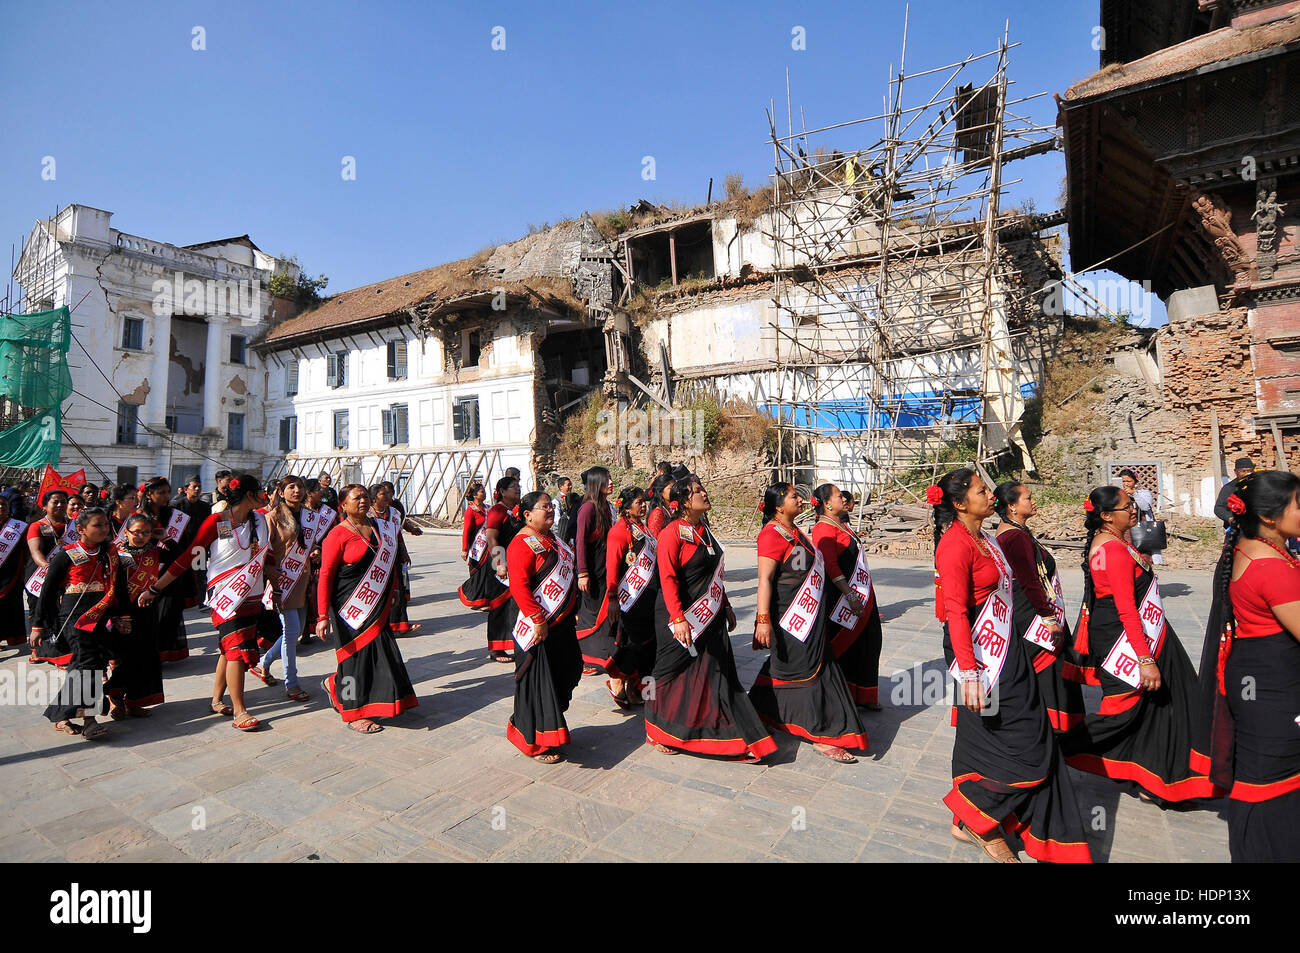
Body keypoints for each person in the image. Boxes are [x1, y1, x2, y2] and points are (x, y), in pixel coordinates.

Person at [932, 468, 1091, 863]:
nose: (990, 495)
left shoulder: (985, 538)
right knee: (1014, 735)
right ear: (958, 503)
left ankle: (974, 815)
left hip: (1008, 649)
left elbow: (1020, 584)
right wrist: (968, 673)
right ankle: (979, 815)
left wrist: (1044, 616)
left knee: (1008, 731)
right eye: (981, 491)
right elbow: (954, 611)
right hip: (979, 654)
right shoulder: (954, 545)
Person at [1059, 484, 1218, 803]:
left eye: (1133, 503)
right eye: (1126, 506)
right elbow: (1126, 608)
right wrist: (1145, 660)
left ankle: (1153, 776)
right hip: (1127, 638)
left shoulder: (1116, 541)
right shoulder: (1113, 550)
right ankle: (1053, 750)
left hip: (1140, 632)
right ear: (1105, 516)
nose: (1133, 509)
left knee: (1158, 707)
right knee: (1123, 708)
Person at [1200, 470, 1300, 862]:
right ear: (1271, 517)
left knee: (1264, 772)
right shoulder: (1271, 567)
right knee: (1271, 781)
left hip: (1257, 673)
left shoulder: (1250, 549)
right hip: (1275, 683)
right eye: (1297, 504)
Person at [646, 475, 776, 762]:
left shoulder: (704, 530)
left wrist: (726, 605)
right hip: (679, 615)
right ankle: (657, 728)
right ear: (682, 503)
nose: (703, 493)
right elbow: (667, 578)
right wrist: (679, 618)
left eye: (701, 488)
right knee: (673, 673)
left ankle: (722, 729)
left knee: (713, 674)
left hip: (710, 615)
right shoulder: (672, 532)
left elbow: (714, 575)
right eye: (695, 491)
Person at [143, 474, 277, 732]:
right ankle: (240, 710)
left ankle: (216, 700)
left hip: (252, 593)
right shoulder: (215, 522)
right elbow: (188, 557)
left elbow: (267, 555)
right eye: (259, 490)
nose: (263, 493)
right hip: (226, 595)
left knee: (229, 650)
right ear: (250, 494)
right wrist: (156, 587)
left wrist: (277, 584)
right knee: (237, 649)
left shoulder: (259, 519)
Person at [749, 483, 869, 762]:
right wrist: (762, 620)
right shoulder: (771, 535)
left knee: (794, 666)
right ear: (779, 506)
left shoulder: (796, 532)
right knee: (807, 669)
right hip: (790, 617)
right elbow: (765, 581)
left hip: (810, 613)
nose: (801, 500)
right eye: (794, 497)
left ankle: (764, 709)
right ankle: (820, 732)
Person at [317, 484, 418, 732]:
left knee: (380, 652)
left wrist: (394, 591)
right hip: (349, 608)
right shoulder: (337, 535)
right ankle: (353, 711)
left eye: (364, 496)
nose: (362, 501)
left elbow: (389, 562)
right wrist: (322, 615)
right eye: (356, 498)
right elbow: (326, 576)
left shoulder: (378, 528)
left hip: (377, 603)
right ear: (343, 504)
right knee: (352, 658)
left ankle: (358, 694)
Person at [993, 481, 1084, 733]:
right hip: (1031, 617)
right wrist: (1048, 617)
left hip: (1034, 611)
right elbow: (1030, 581)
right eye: (1027, 498)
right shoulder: (1013, 537)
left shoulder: (1018, 531)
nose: (1033, 501)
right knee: (1046, 672)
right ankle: (1049, 725)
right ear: (1012, 506)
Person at [33, 508, 130, 741]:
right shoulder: (65, 555)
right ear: (80, 530)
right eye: (98, 525)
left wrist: (123, 615)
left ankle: (61, 714)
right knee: (88, 662)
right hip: (75, 616)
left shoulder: (110, 552)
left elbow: (119, 588)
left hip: (100, 615)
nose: (104, 529)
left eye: (106, 525)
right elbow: (47, 592)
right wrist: (38, 625)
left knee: (90, 663)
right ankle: (89, 720)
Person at [505, 490, 582, 762]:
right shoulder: (522, 542)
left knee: (570, 669)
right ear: (527, 514)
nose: (550, 511)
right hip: (536, 623)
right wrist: (537, 619)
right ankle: (535, 739)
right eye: (543, 507)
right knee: (539, 681)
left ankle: (543, 720)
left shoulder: (553, 540)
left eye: (551, 506)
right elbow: (519, 586)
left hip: (560, 622)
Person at [810, 483, 883, 710]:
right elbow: (830, 566)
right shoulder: (823, 529)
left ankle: (864, 695)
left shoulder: (841, 524)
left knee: (869, 643)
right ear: (826, 503)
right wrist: (850, 595)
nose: (844, 499)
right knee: (846, 646)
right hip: (841, 598)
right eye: (839, 496)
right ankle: (841, 696)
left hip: (861, 594)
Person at [251, 475, 312, 701]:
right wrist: (272, 581)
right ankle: (292, 683)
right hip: (282, 581)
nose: (297, 491)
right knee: (291, 632)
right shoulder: (272, 518)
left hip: (303, 579)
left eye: (300, 487)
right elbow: (264, 553)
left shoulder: (309, 516)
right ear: (282, 491)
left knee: (295, 630)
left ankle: (263, 664)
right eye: (291, 487)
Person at [458, 476, 523, 662]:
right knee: (499, 605)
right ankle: (497, 648)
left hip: (518, 562)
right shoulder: (497, 511)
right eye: (513, 487)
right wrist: (500, 563)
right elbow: (492, 538)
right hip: (499, 563)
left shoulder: (517, 510)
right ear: (502, 491)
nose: (517, 489)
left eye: (518, 486)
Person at [605, 487, 658, 709]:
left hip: (647, 598)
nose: (643, 505)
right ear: (626, 507)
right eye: (638, 502)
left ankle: (637, 690)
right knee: (633, 645)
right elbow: (612, 568)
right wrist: (613, 598)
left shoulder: (642, 528)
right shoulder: (618, 532)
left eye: (644, 501)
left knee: (647, 646)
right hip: (630, 598)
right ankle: (619, 681)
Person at [111, 514, 166, 717]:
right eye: (137, 532)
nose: (141, 536)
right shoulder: (115, 553)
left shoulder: (155, 552)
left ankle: (134, 701)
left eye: (146, 532)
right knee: (123, 657)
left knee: (144, 656)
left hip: (147, 610)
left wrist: (165, 538)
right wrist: (119, 615)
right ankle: (115, 698)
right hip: (121, 613)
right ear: (126, 532)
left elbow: (181, 558)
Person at [138, 477, 191, 662]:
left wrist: (167, 539)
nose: (166, 496)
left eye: (168, 492)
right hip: (144, 573)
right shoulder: (138, 517)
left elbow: (183, 550)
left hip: (170, 573)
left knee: (169, 614)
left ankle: (160, 653)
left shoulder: (175, 516)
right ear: (149, 494)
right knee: (148, 618)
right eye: (161, 492)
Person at [575, 466, 618, 677]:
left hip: (606, 569)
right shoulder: (588, 509)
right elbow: (580, 542)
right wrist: (582, 572)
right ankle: (584, 657)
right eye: (606, 479)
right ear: (596, 483)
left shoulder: (608, 507)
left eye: (610, 479)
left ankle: (601, 654)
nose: (610, 482)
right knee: (590, 615)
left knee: (605, 612)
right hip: (592, 570)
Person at [26, 488, 71, 666]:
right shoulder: (37, 526)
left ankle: (59, 654)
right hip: (39, 576)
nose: (60, 505)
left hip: (65, 577)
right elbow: (35, 551)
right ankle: (37, 649)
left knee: (59, 614)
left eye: (63, 502)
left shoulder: (73, 525)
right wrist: (47, 566)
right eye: (55, 502)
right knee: (40, 611)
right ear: (45, 506)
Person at [370, 481, 419, 634]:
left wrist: (404, 552)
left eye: (388, 493)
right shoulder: (368, 515)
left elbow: (397, 534)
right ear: (374, 499)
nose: (387, 496)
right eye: (383, 494)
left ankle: (401, 624)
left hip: (394, 556)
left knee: (398, 590)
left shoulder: (394, 513)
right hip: (376, 559)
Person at [0, 495, 29, 645]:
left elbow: (26, 550)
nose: (1, 507)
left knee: (8, 609)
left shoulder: (19, 526)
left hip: (11, 575)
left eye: (3, 504)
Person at [1119, 468, 1163, 565]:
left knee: (1143, 555)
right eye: (1123, 481)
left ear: (1135, 481)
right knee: (1125, 555)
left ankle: (1145, 578)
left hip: (1141, 526)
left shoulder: (1143, 493)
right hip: (1124, 527)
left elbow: (1145, 507)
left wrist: (1134, 494)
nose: (1126, 484)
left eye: (1128, 481)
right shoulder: (1118, 494)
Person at [1214, 458, 1256, 529]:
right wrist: (1230, 518)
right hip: (1236, 529)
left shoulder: (1258, 486)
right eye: (1243, 471)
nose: (1247, 474)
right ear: (1235, 472)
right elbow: (1219, 508)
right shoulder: (1229, 488)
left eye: (1250, 471)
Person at [550, 477, 582, 548]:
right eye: (568, 485)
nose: (570, 487)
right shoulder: (556, 501)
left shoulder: (574, 498)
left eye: (571, 485)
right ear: (561, 487)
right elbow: (557, 519)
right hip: (561, 532)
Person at [460, 482, 488, 565]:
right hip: (477, 546)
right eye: (482, 492)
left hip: (488, 547)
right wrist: (464, 550)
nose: (485, 493)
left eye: (484, 491)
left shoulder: (487, 508)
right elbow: (466, 531)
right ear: (475, 495)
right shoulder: (470, 510)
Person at [645, 474, 676, 539]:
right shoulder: (657, 513)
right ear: (661, 492)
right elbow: (654, 539)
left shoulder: (672, 508)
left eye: (675, 487)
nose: (674, 491)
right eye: (671, 488)